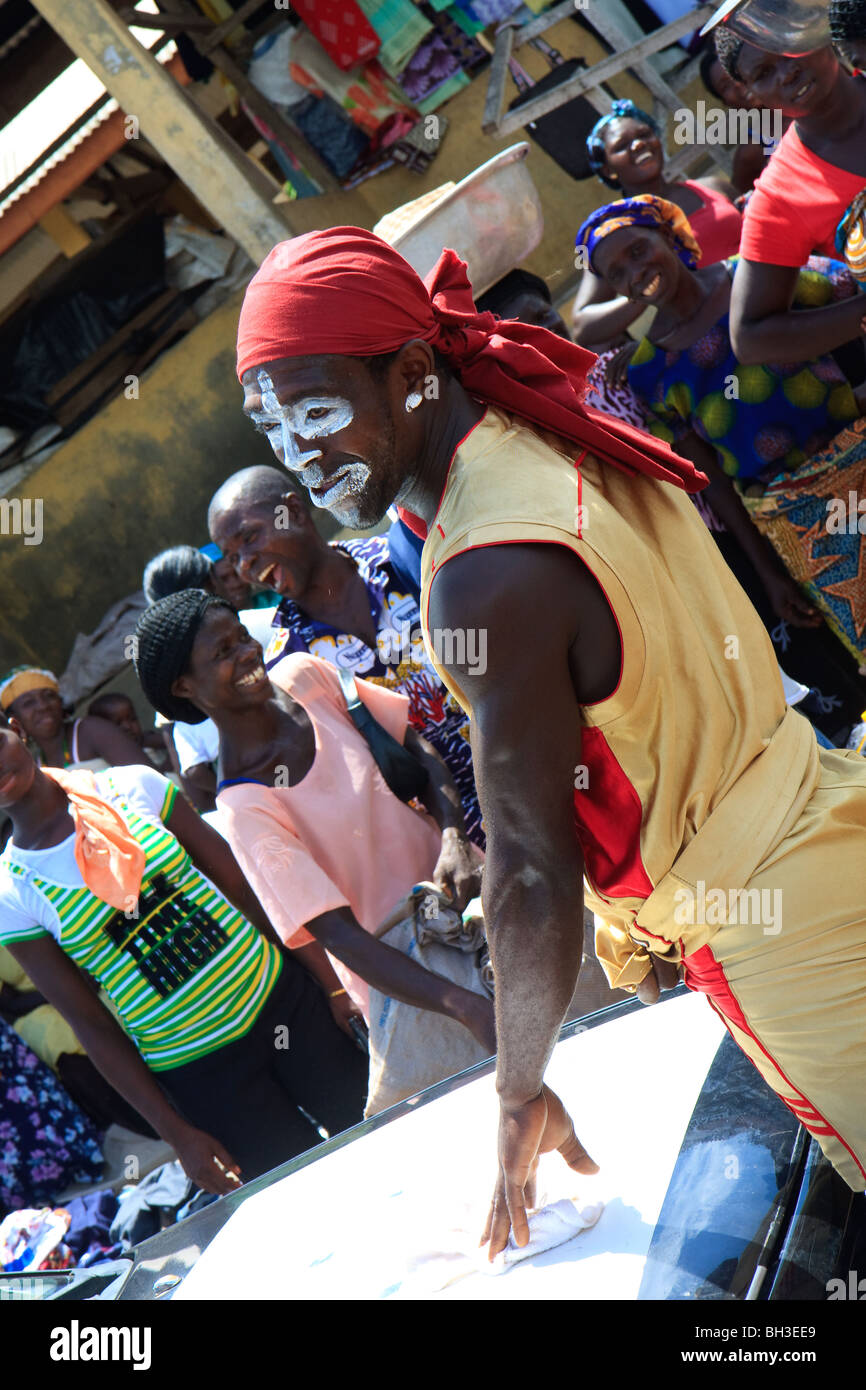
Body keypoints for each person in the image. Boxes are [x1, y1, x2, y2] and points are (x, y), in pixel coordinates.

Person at [231, 226, 866, 1260]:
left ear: (408, 374)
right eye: (269, 427)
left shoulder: (482, 568)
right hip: (819, 811)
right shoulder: (540, 433)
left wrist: (517, 1088)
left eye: (314, 413)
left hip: (780, 928)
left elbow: (527, 867)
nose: (299, 458)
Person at [0, 727, 369, 1187]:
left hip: (287, 1009)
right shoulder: (13, 891)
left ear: (15, 732)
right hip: (203, 1075)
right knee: (306, 1193)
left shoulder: (131, 785)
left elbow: (247, 887)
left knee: (381, 1136)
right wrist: (177, 1135)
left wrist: (332, 983)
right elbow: (89, 1022)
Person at [133, 588, 494, 1054]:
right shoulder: (247, 806)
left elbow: (417, 752)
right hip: (418, 990)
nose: (247, 654)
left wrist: (453, 838)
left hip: (475, 907)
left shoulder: (310, 677)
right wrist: (465, 1007)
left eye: (243, 637)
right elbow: (340, 936)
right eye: (223, 653)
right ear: (183, 688)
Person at [576, 193, 866, 724]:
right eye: (617, 272)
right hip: (800, 522)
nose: (635, 271)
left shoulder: (753, 280)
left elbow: (853, 294)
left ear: (671, 236)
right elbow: (709, 482)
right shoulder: (645, 371)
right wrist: (769, 572)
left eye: (639, 250)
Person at [208, 466, 485, 847]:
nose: (244, 565)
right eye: (232, 556)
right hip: (462, 849)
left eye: (250, 538)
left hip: (543, 781)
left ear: (295, 512)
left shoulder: (406, 559)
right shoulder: (289, 668)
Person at [721, 30, 866, 375]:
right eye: (763, 74)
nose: (787, 73)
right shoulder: (779, 196)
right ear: (753, 95)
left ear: (813, 32)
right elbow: (751, 338)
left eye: (786, 49)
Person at [573, 97, 742, 352]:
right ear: (608, 170)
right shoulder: (619, 237)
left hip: (764, 291)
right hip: (714, 334)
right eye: (622, 145)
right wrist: (647, 287)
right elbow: (582, 326)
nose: (639, 144)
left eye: (644, 134)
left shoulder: (711, 187)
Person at [1, 667, 146, 773]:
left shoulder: (91, 731)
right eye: (28, 703)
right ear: (16, 722)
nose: (43, 706)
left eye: (49, 696)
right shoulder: (37, 766)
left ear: (60, 702)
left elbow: (150, 780)